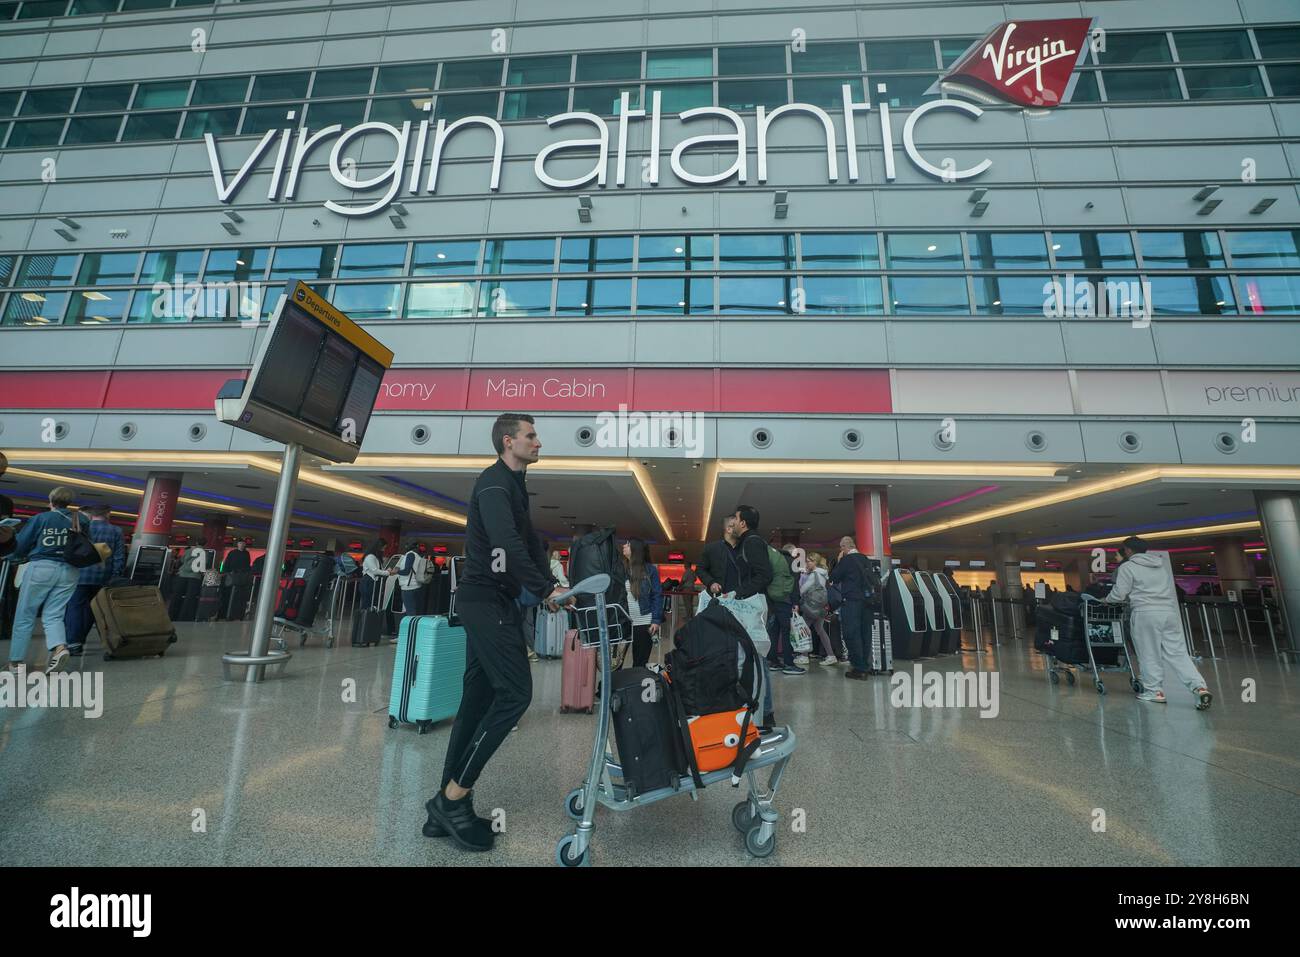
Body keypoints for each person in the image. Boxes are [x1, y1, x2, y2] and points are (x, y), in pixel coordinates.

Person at [425, 413, 566, 852]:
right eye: (531, 435)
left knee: (478, 698)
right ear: (509, 441)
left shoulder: (513, 486)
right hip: (486, 600)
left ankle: (443, 802)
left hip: (491, 600)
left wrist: (548, 586)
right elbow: (506, 544)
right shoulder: (494, 484)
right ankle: (456, 798)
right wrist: (545, 588)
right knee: (516, 694)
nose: (538, 442)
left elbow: (527, 542)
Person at [1104, 536, 1212, 710]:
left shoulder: (1128, 567)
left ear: (1128, 550)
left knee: (1149, 653)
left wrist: (1105, 600)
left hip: (1145, 613)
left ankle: (1155, 691)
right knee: (1178, 653)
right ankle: (1199, 687)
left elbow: (1118, 594)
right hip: (1168, 613)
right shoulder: (1160, 566)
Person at [6, 487, 81, 674]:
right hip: (70, 570)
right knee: (54, 614)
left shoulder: (40, 519)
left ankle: (16, 663)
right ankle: (59, 648)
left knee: (25, 614)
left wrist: (12, 555)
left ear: (51, 500)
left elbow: (21, 546)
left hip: (42, 567)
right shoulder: (81, 520)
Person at [730, 505, 781, 727]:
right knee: (756, 658)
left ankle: (766, 711)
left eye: (736, 518)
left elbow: (764, 575)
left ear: (743, 523)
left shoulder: (751, 542)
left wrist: (738, 592)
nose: (732, 522)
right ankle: (761, 708)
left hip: (755, 609)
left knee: (759, 659)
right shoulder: (748, 542)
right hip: (752, 607)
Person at [62, 504, 124, 656]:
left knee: (75, 608)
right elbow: (118, 557)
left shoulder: (81, 528)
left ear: (89, 515)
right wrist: (115, 574)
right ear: (107, 514)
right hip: (102, 576)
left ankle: (74, 643)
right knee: (97, 610)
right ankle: (105, 643)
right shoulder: (116, 531)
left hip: (79, 574)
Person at [830, 536, 875, 680]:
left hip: (852, 601)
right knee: (865, 633)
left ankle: (858, 667)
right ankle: (865, 666)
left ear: (844, 547)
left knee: (851, 633)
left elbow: (834, 577)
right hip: (867, 602)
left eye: (841, 547)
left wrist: (838, 561)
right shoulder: (865, 559)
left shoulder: (846, 560)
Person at [622, 539, 663, 668]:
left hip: (644, 621)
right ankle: (616, 688)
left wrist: (656, 620)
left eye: (628, 544)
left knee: (639, 662)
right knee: (616, 662)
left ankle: (636, 687)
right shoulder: (620, 568)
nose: (624, 546)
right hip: (624, 622)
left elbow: (657, 595)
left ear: (635, 549)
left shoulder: (650, 570)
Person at [766, 542, 804, 675]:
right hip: (785, 600)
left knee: (774, 630)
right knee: (788, 631)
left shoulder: (774, 561)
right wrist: (795, 602)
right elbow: (794, 585)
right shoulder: (792, 562)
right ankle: (788, 663)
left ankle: (773, 661)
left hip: (772, 599)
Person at [800, 552, 841, 666]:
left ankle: (804, 656)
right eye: (807, 560)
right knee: (820, 630)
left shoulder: (814, 575)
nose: (807, 563)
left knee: (803, 628)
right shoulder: (823, 574)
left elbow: (803, 590)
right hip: (822, 606)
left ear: (815, 562)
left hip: (811, 607)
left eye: (809, 561)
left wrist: (804, 579)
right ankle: (831, 655)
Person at [697, 514, 741, 598]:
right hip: (720, 597)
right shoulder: (712, 548)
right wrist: (711, 583)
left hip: (740, 598)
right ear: (728, 529)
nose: (741, 528)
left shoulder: (744, 549)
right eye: (737, 525)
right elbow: (700, 569)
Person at [396, 540, 431, 616]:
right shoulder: (418, 556)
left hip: (408, 587)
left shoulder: (410, 554)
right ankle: (415, 626)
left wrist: (396, 571)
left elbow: (406, 571)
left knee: (410, 612)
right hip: (417, 586)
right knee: (416, 610)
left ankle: (410, 627)